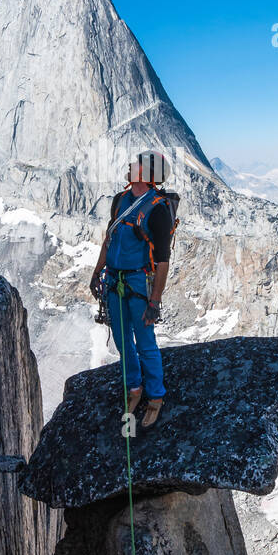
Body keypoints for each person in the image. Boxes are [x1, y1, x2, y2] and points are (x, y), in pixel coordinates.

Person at [89, 151, 174, 430]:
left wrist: (155, 301)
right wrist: (96, 273)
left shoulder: (158, 209)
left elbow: (162, 261)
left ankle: (156, 397)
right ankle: (134, 388)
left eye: (135, 164)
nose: (129, 166)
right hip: (114, 280)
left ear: (146, 174)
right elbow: (108, 241)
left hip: (138, 283)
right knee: (123, 341)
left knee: (145, 341)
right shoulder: (120, 201)